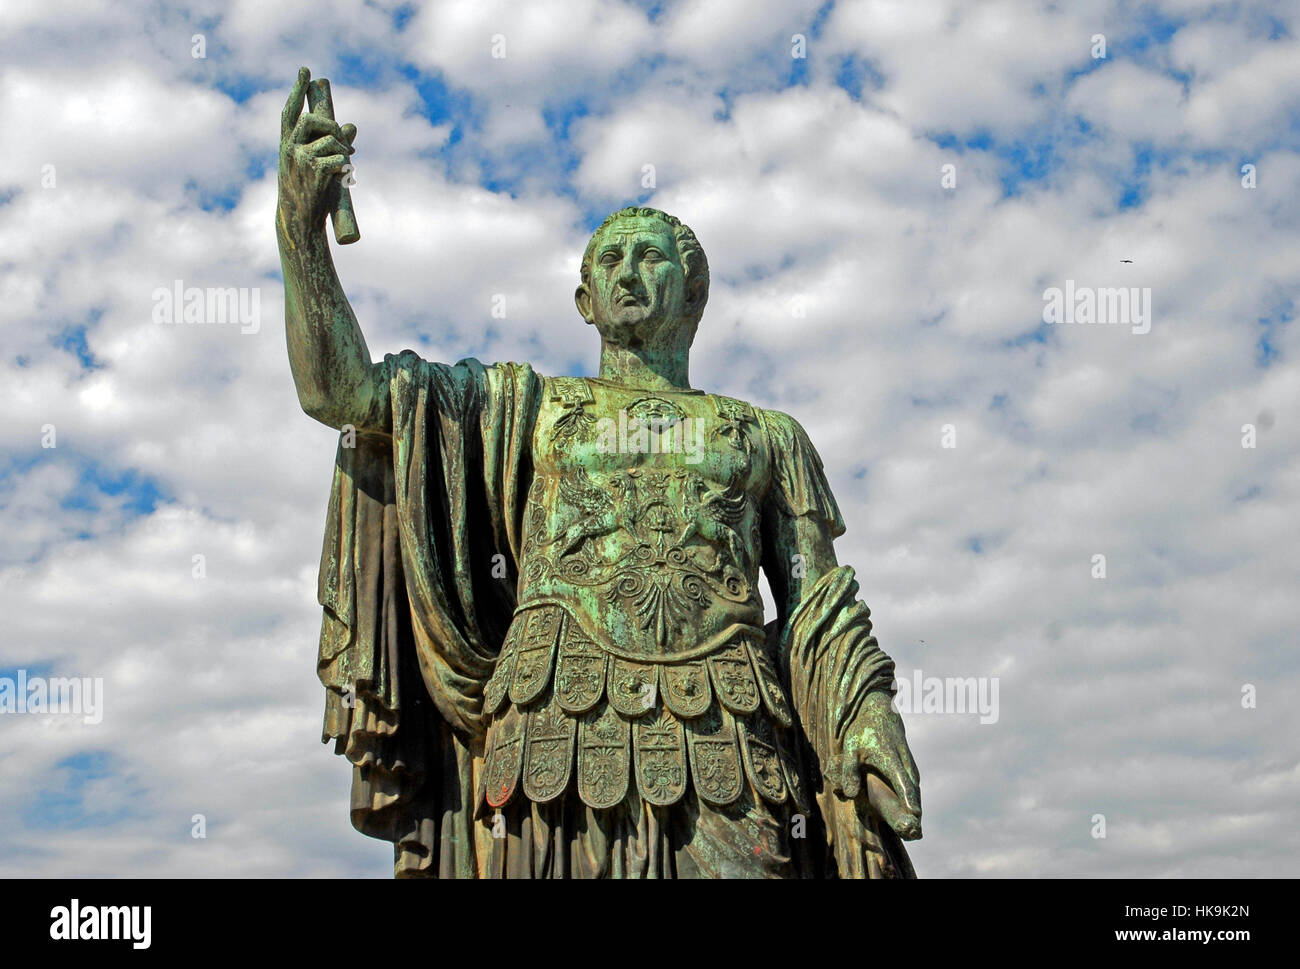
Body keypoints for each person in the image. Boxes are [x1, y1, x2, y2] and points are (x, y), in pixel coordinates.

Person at [277, 67, 921, 878]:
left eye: (651, 257)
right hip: (551, 737)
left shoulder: (767, 434)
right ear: (584, 301)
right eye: (609, 258)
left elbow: (817, 610)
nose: (627, 270)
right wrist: (299, 232)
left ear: (693, 294)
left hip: (730, 743)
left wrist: (866, 717)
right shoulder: (526, 405)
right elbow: (344, 393)